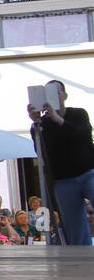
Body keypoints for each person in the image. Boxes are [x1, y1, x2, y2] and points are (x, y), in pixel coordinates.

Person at [29, 80, 94, 246]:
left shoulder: (78, 114)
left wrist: (59, 119)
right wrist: (36, 123)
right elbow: (41, 152)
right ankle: (83, 263)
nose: (52, 97)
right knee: (75, 227)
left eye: (56, 92)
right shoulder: (42, 124)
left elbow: (83, 136)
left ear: (65, 96)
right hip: (63, 180)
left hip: (88, 172)